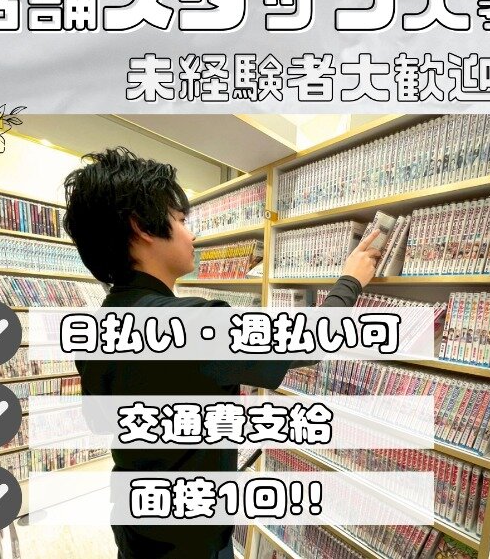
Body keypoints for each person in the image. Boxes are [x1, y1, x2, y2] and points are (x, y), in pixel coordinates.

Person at [63, 147, 381, 559]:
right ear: (141, 227)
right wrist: (351, 279)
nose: (191, 234)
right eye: (181, 221)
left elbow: (100, 419)